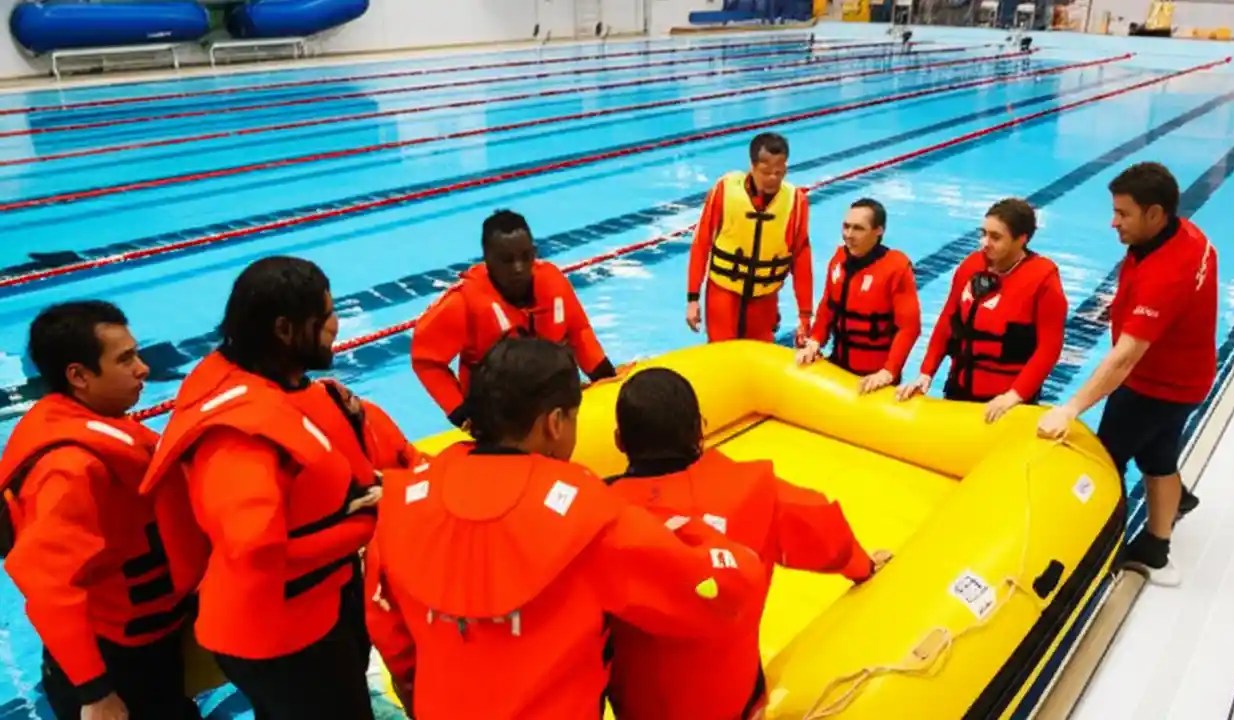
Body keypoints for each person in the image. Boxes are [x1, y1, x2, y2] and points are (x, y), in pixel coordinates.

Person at [363, 337, 767, 720]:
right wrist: (705, 536)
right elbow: (707, 592)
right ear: (554, 423)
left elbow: (392, 640)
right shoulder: (592, 517)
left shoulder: (401, 501)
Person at [139, 256, 424, 719]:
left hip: (310, 611)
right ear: (286, 330)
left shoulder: (255, 381)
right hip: (285, 638)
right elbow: (253, 547)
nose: (337, 324)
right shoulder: (238, 439)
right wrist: (364, 524)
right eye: (326, 316)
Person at [603, 367, 886, 720]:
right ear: (700, 429)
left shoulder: (597, 517)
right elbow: (830, 537)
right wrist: (866, 567)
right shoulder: (755, 489)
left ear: (619, 441)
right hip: (734, 704)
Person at [0, 301, 203, 720]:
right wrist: (95, 694)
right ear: (79, 376)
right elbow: (50, 590)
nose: (144, 369)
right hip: (117, 667)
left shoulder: (92, 419)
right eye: (125, 359)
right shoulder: (70, 469)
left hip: (151, 641)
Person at [1037, 162, 1215, 587]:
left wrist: (1070, 408)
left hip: (1157, 386)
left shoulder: (1166, 272)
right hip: (1188, 376)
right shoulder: (1187, 234)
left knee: (1102, 462)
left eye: (1123, 214)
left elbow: (1123, 357)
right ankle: (1166, 524)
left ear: (1155, 214)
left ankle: (1101, 551)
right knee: (1158, 454)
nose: (1112, 222)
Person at [411, 209, 617, 429]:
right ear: (487, 261)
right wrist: (461, 412)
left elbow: (578, 332)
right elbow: (426, 360)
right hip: (499, 416)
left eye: (525, 256)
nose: (518, 268)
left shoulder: (553, 281)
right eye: (507, 261)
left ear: (534, 252)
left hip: (553, 401)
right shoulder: (463, 303)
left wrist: (605, 378)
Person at [897, 198, 1068, 423]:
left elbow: (1049, 349)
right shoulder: (971, 266)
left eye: (995, 237)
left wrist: (1013, 396)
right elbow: (948, 321)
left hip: (1007, 404)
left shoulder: (1043, 280)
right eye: (983, 233)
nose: (984, 243)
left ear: (1021, 239)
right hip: (959, 390)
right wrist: (926, 373)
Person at [686, 132, 814, 345]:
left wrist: (805, 315)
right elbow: (701, 244)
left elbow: (801, 259)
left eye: (779, 172)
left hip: (765, 299)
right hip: (723, 294)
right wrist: (692, 299)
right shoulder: (724, 190)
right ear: (752, 166)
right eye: (766, 172)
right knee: (722, 355)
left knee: (761, 356)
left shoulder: (796, 202)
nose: (773, 178)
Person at [797, 198, 921, 393]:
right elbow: (828, 308)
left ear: (878, 231)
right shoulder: (839, 259)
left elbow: (909, 328)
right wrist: (814, 341)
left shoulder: (896, 268)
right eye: (846, 226)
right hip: (837, 365)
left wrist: (889, 371)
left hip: (876, 375)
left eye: (858, 228)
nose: (848, 235)